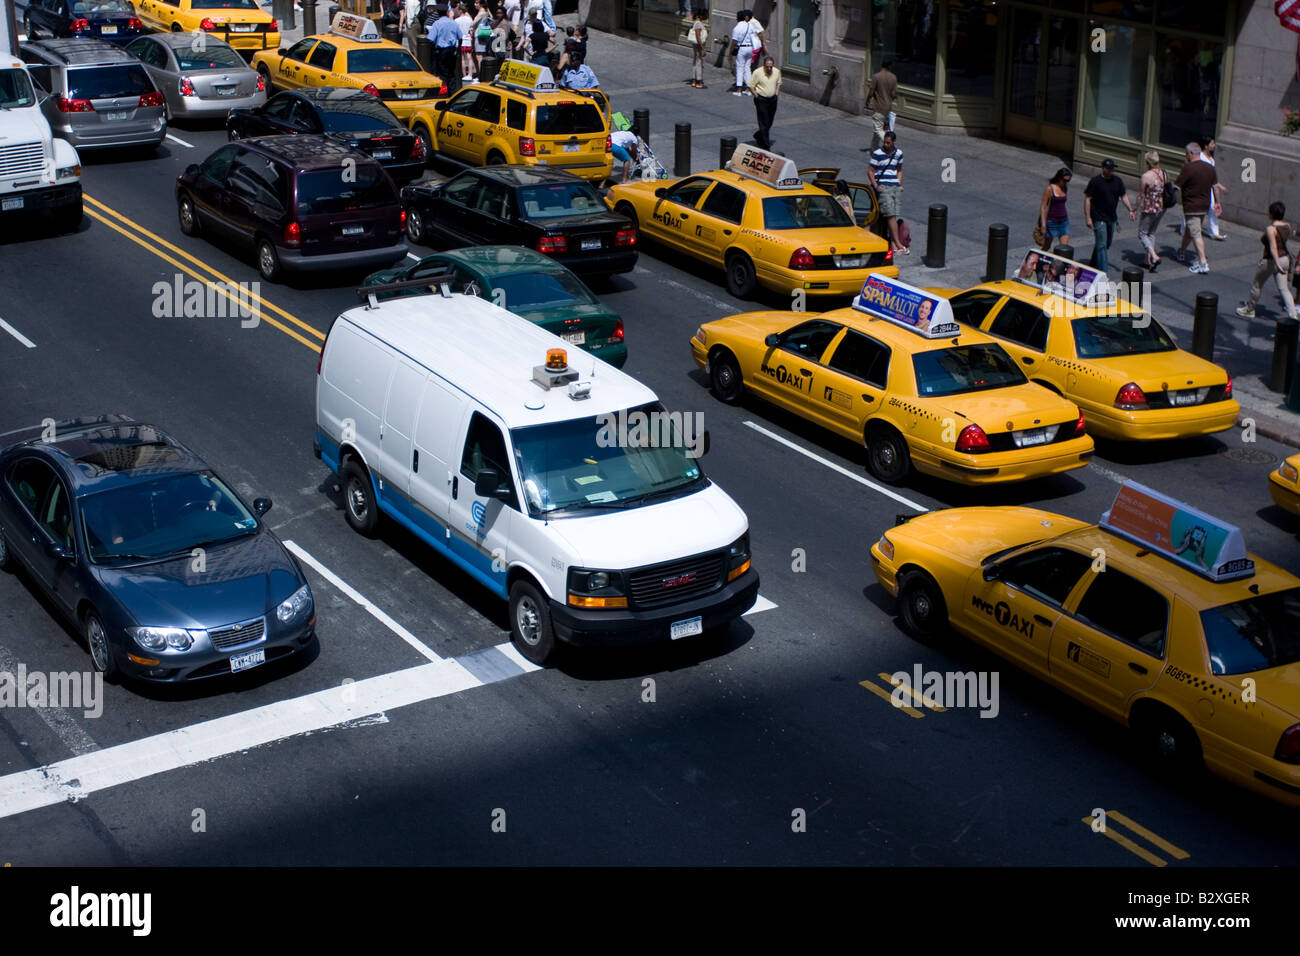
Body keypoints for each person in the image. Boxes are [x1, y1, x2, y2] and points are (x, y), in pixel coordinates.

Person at [1236, 202, 1298, 320]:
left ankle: (1250, 309)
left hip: (1271, 261)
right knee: (1284, 289)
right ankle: (1293, 315)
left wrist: (1277, 264)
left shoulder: (1270, 229)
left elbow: (1273, 247)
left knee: (1257, 285)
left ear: (1271, 213)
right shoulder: (1287, 226)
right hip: (1285, 259)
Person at [1083, 158, 1135, 275]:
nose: (1112, 171)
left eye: (1113, 169)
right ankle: (1103, 272)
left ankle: (1093, 264)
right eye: (1109, 169)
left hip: (1111, 218)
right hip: (1098, 217)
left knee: (1107, 243)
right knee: (1101, 244)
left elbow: (1124, 196)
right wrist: (1088, 217)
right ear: (1103, 168)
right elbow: (1087, 199)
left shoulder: (1117, 181)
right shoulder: (1095, 181)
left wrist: (1130, 210)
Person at [1175, 141, 1220, 274]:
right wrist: (1218, 202)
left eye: (1186, 154)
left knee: (1196, 233)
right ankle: (1181, 251)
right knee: (1190, 231)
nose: (1186, 156)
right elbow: (1215, 187)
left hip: (1191, 206)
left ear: (1190, 153)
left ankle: (1203, 262)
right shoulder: (1210, 168)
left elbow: (1177, 186)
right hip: (1204, 205)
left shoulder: (1188, 168)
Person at [868, 129, 906, 255]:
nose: (886, 145)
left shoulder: (899, 153)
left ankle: (893, 243)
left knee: (894, 214)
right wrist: (876, 186)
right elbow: (870, 171)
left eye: (888, 143)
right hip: (883, 187)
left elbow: (899, 170)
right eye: (885, 142)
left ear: (894, 142)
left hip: (895, 187)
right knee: (891, 215)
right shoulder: (877, 153)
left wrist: (899, 184)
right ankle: (898, 243)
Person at [1136, 150, 1168, 272]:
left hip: (1149, 207)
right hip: (1161, 207)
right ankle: (1148, 260)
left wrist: (1134, 209)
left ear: (1147, 162)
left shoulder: (1146, 176)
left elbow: (1141, 195)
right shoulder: (1164, 174)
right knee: (1152, 233)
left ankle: (1154, 256)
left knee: (1142, 234)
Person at [427, 6, 463, 95]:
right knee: (451, 73)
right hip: (451, 51)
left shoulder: (437, 24)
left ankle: (443, 93)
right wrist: (458, 50)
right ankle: (452, 93)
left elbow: (431, 39)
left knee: (441, 73)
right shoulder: (453, 23)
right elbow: (460, 37)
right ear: (447, 12)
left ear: (438, 13)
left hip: (441, 51)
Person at [749, 55, 780, 150]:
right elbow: (750, 85)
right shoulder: (757, 72)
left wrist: (776, 93)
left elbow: (778, 82)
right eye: (767, 66)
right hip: (761, 99)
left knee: (770, 121)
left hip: (772, 99)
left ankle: (758, 135)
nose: (769, 68)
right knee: (764, 122)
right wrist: (756, 96)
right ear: (764, 66)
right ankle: (766, 145)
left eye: (771, 66)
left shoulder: (777, 72)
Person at [864, 59, 897, 152]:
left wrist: (867, 101)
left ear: (881, 66)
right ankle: (873, 149)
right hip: (888, 108)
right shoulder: (893, 77)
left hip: (878, 107)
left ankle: (890, 145)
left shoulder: (876, 77)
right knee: (879, 128)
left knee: (878, 129)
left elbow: (871, 92)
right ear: (889, 66)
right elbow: (894, 95)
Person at [1038, 168, 1072, 251]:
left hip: (1064, 221)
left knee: (1064, 248)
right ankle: (1038, 261)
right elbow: (1043, 207)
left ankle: (1058, 263)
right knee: (1047, 246)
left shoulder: (1064, 188)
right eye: (1065, 180)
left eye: (1068, 181)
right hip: (1051, 221)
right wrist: (1043, 224)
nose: (1066, 182)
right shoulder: (1049, 189)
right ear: (1059, 178)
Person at [730, 9, 759, 94]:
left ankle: (739, 89)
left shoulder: (737, 28)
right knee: (747, 68)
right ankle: (749, 89)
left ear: (738, 19)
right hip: (750, 48)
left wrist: (730, 52)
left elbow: (734, 42)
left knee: (739, 67)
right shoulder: (750, 26)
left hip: (741, 49)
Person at [688, 9, 708, 89]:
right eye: (705, 15)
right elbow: (698, 36)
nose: (706, 17)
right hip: (698, 45)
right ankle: (698, 81)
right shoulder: (698, 23)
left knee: (695, 60)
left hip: (695, 45)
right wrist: (703, 48)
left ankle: (694, 80)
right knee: (699, 61)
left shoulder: (696, 23)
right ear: (701, 16)